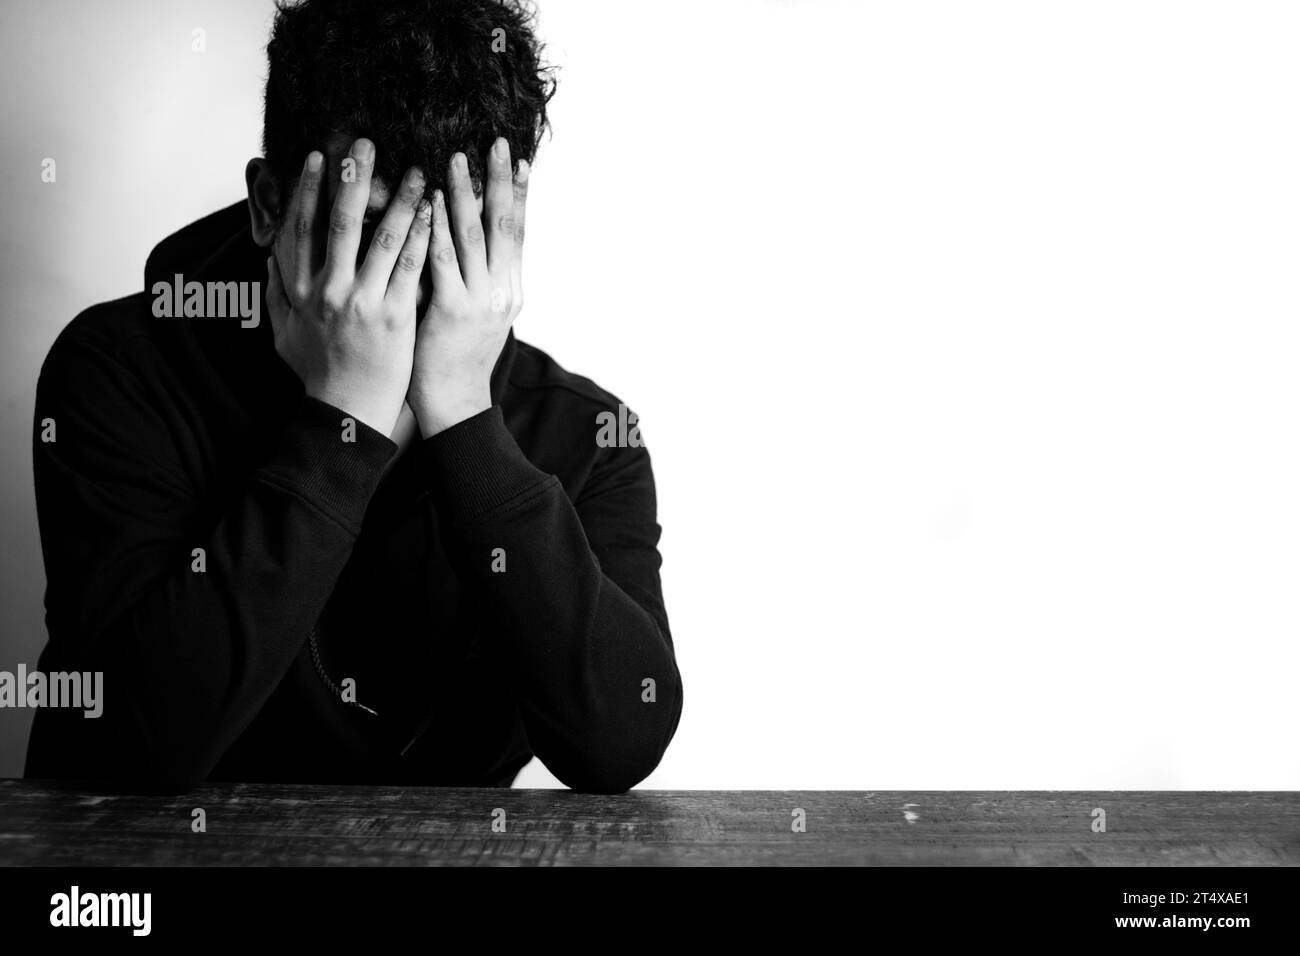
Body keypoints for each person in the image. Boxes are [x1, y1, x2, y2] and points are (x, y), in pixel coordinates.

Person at [26, 0, 682, 794]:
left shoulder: (588, 436)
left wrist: (470, 430)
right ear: (272, 207)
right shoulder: (120, 373)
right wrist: (342, 420)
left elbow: (620, 744)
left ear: (506, 225)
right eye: (372, 229)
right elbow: (125, 749)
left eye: (450, 233)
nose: (407, 282)